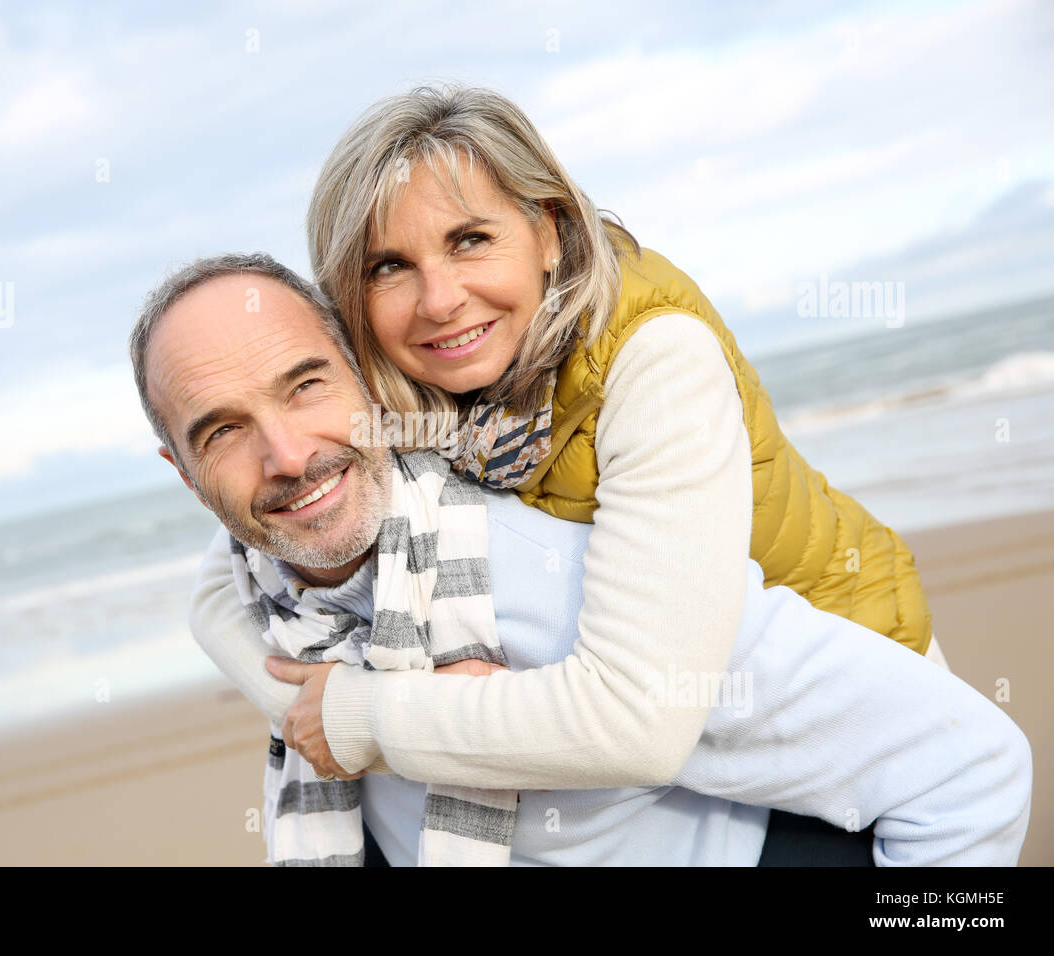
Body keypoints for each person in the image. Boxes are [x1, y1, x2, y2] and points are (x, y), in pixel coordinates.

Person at [129, 252, 1031, 865]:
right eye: (224, 431)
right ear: (183, 473)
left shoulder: (550, 580)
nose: (286, 455)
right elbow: (222, 596)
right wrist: (307, 709)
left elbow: (971, 764)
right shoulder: (266, 604)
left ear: (367, 375)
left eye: (306, 385)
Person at [190, 84, 945, 791]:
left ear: (548, 232)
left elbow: (638, 728)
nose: (441, 300)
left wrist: (362, 716)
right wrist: (305, 707)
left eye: (470, 239)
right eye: (390, 266)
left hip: (873, 709)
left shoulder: (654, 361)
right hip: (715, 736)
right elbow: (223, 581)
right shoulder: (398, 393)